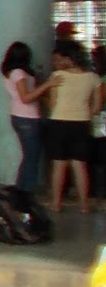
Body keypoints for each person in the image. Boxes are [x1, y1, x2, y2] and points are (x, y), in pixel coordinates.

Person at [45, 40, 102, 214]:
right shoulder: (93, 77)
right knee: (80, 165)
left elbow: (53, 105)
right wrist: (85, 114)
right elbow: (97, 106)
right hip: (82, 124)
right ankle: (84, 205)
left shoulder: (57, 76)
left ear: (68, 58)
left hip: (59, 123)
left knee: (59, 165)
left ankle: (56, 203)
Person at [1, 41, 54, 195]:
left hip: (22, 117)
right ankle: (26, 192)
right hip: (27, 117)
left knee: (29, 156)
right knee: (32, 157)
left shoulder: (14, 72)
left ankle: (20, 190)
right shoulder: (18, 73)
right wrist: (48, 85)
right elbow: (26, 98)